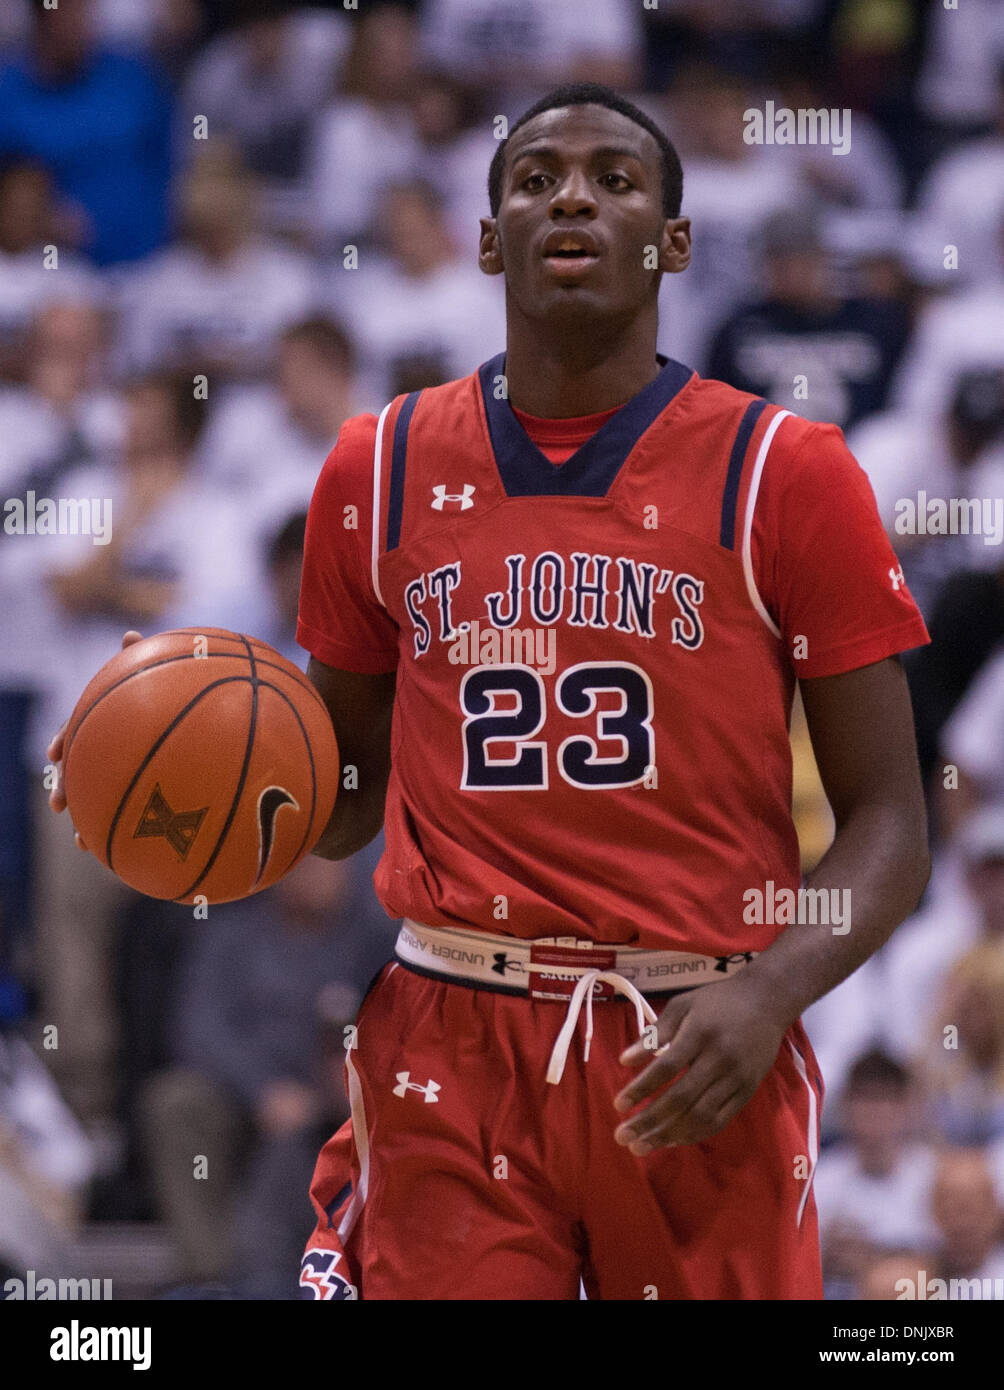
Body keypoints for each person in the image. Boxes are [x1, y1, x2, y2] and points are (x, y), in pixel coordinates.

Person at [50, 82, 932, 1302]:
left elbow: (888, 822)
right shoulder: (379, 464)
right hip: (452, 1030)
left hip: (695, 1030)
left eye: (614, 181)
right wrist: (197, 787)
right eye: (534, 179)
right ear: (485, 239)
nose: (570, 194)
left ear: (673, 243)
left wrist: (771, 988)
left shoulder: (787, 471)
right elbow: (343, 791)